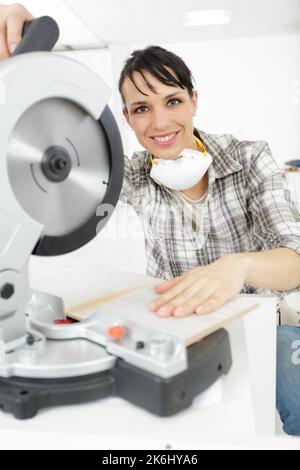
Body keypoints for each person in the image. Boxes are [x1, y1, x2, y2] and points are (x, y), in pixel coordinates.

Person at [1, 3, 300, 436]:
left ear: (194, 101)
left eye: (173, 101)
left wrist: (239, 266)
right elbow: (45, 180)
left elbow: (295, 260)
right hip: (172, 323)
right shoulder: (131, 174)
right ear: (125, 118)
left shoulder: (250, 158)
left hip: (259, 322)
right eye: (141, 109)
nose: (160, 122)